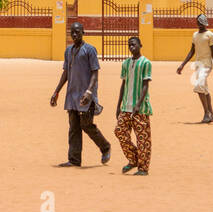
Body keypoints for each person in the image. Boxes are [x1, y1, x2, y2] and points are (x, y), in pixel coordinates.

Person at [50, 21, 111, 167]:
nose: (74, 34)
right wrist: (56, 91)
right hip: (72, 95)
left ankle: (105, 147)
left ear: (83, 32)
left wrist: (89, 92)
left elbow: (95, 73)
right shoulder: (68, 51)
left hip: (86, 96)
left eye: (77, 32)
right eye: (72, 32)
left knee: (86, 125)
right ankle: (74, 159)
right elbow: (66, 72)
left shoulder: (90, 50)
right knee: (73, 128)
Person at [115, 35, 152, 176]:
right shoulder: (125, 63)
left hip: (140, 108)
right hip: (126, 107)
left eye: (134, 44)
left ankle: (143, 168)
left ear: (140, 45)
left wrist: (138, 104)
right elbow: (123, 85)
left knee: (143, 138)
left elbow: (145, 85)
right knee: (119, 131)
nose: (131, 47)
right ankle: (134, 158)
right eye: (129, 45)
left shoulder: (145, 63)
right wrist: (118, 106)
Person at [177, 12, 213, 123]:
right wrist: (182, 64)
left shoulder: (211, 35)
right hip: (198, 65)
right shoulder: (195, 35)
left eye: (202, 22)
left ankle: (206, 113)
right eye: (198, 22)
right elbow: (192, 51)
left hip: (207, 64)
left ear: (205, 23)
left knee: (198, 85)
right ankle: (212, 115)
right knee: (204, 89)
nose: (200, 24)